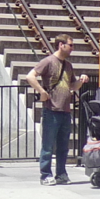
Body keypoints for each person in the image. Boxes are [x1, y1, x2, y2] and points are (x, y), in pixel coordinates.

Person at [26, 34, 89, 186]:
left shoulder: (68, 65)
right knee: (48, 145)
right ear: (61, 45)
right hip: (51, 110)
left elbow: (72, 86)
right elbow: (30, 76)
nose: (72, 48)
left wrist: (80, 81)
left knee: (63, 146)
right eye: (70, 45)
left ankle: (61, 174)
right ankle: (45, 174)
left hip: (65, 111)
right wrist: (41, 91)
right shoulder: (48, 61)